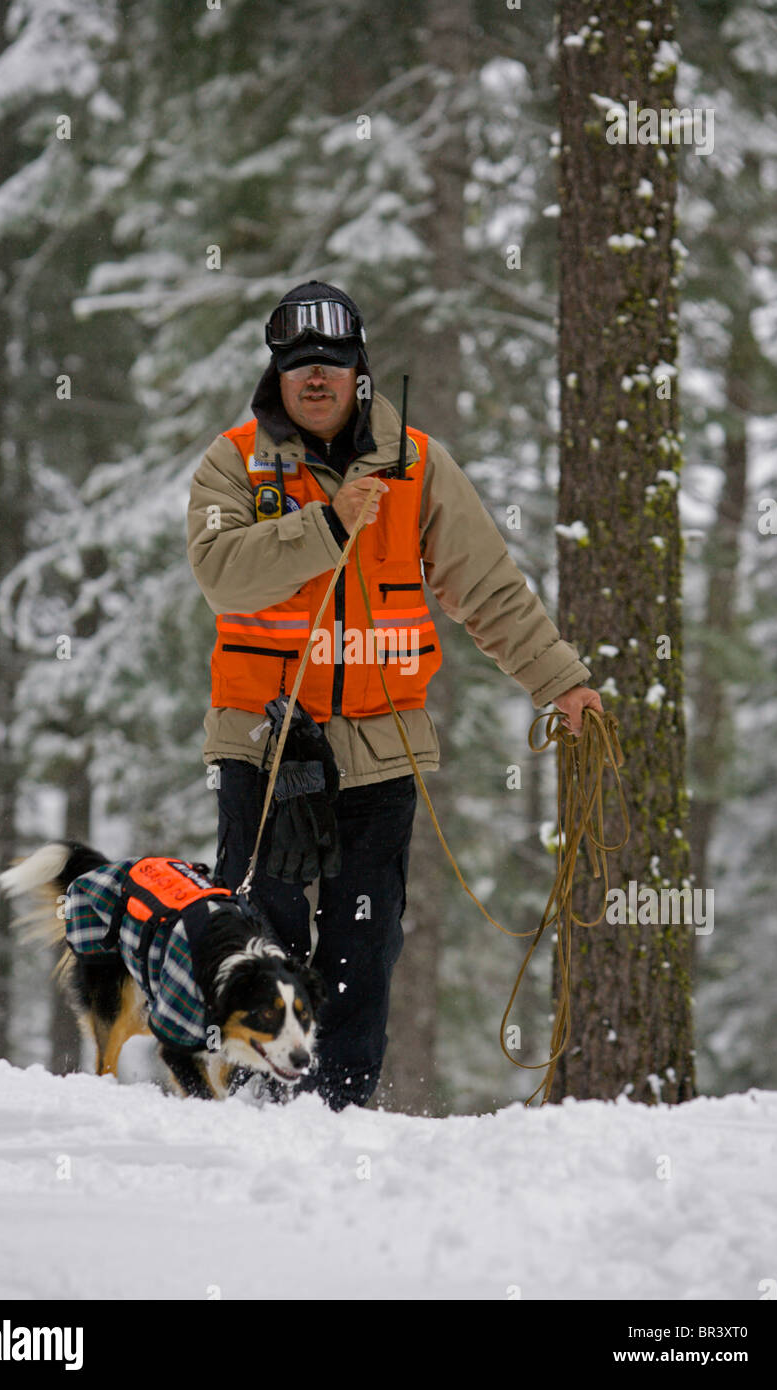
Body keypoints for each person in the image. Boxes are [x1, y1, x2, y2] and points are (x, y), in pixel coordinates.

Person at [187, 280, 602, 1110]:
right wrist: (331, 523)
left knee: (364, 945)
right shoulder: (233, 461)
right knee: (260, 936)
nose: (316, 378)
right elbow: (223, 576)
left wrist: (560, 681)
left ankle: (339, 1118)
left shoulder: (418, 463)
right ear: (277, 377)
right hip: (265, 749)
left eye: (333, 364)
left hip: (379, 749)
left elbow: (487, 588)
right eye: (299, 364)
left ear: (360, 373)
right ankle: (253, 1115)